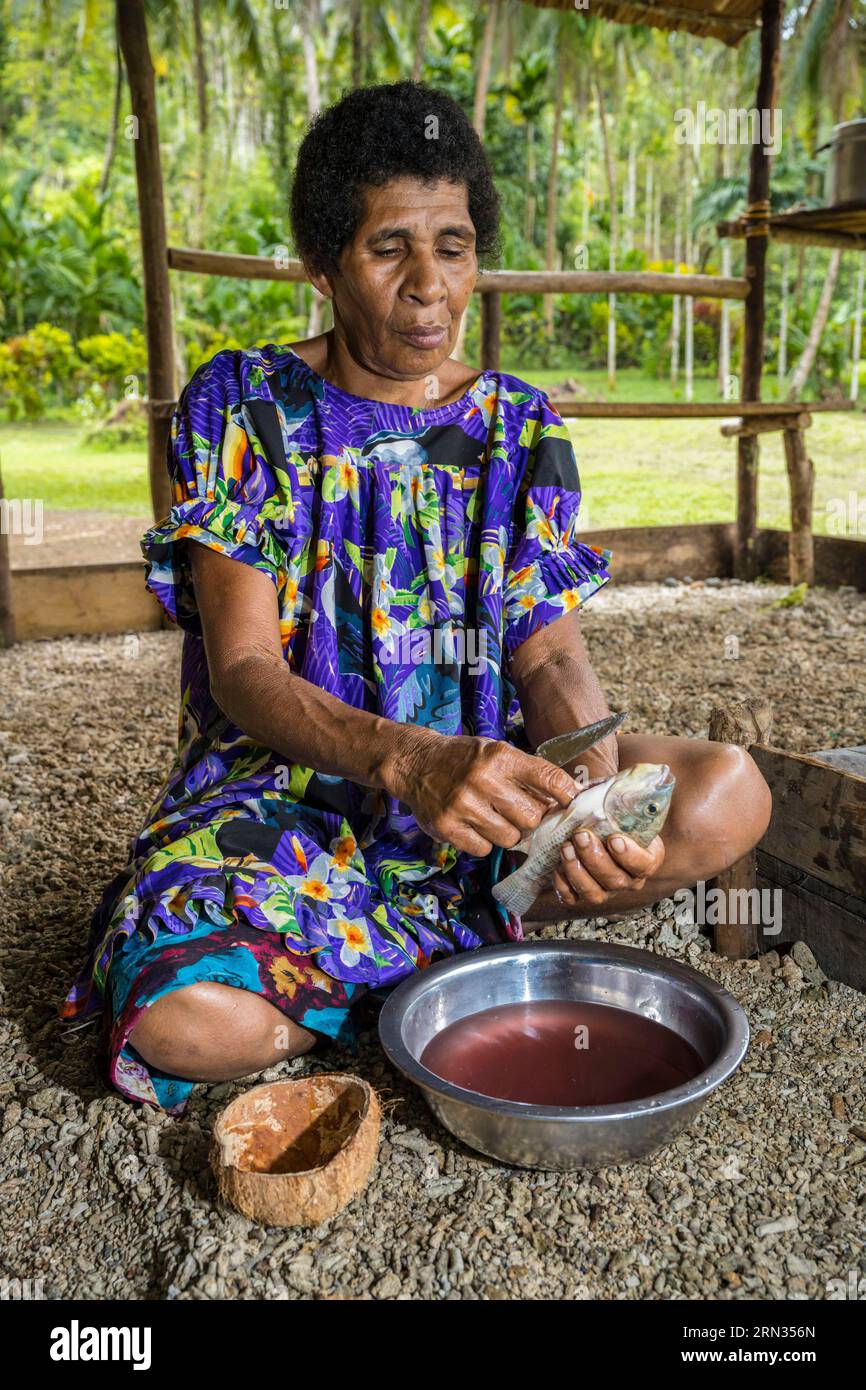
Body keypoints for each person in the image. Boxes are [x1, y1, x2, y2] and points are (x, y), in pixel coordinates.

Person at [60, 81, 772, 1113]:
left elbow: (550, 658)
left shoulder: (518, 428)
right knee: (185, 1022)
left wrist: (584, 795)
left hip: (485, 794)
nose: (429, 284)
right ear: (321, 263)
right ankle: (436, 962)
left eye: (454, 244)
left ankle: (368, 965)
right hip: (291, 797)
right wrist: (406, 758)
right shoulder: (244, 405)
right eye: (388, 248)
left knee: (729, 794)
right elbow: (245, 670)